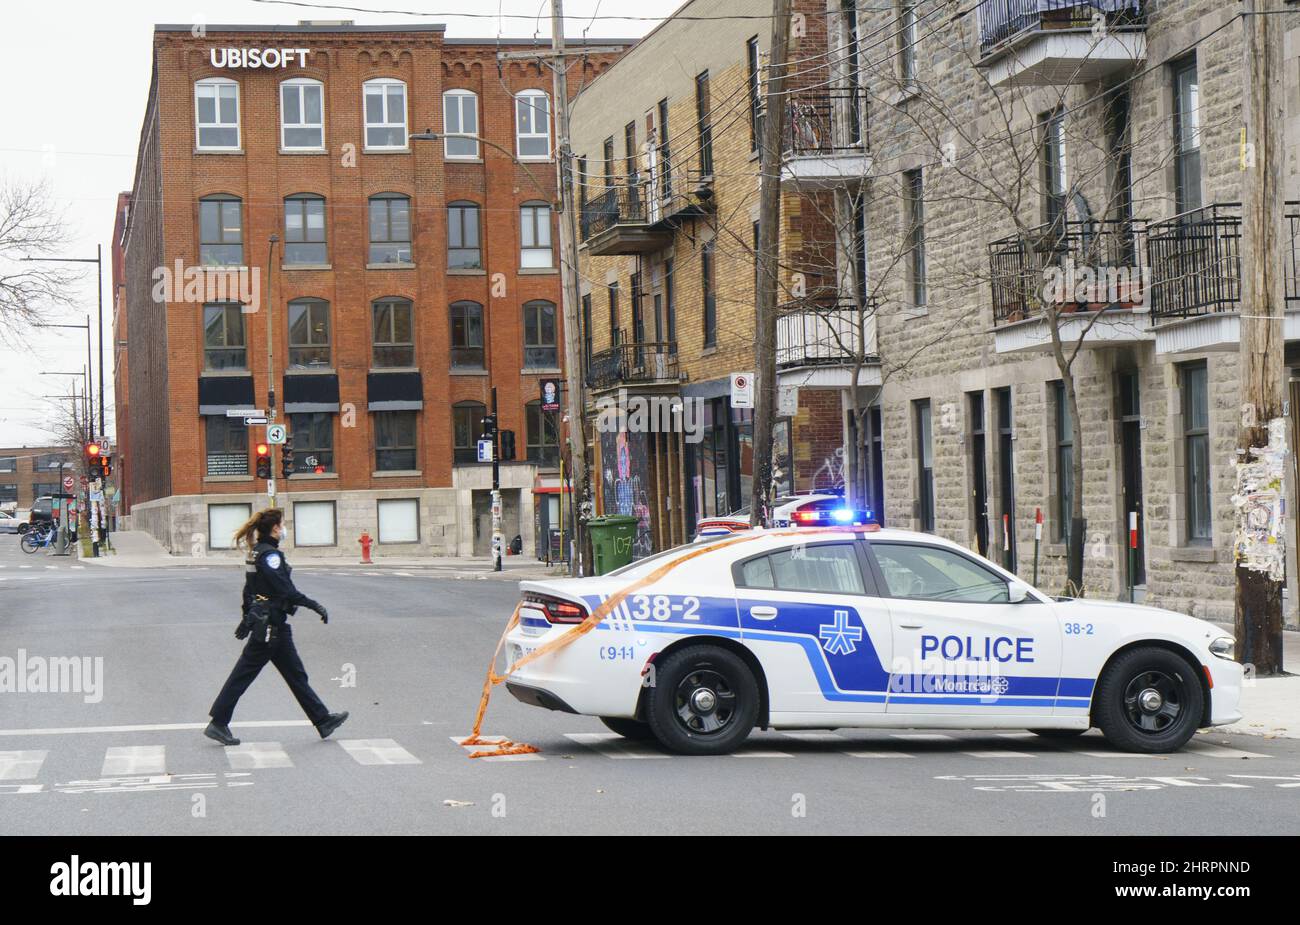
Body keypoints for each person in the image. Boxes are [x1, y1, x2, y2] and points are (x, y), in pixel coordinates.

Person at [205, 508, 348, 746]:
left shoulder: (255, 553)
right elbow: (285, 590)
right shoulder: (270, 556)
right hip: (270, 626)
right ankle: (218, 722)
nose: (283, 530)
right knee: (243, 675)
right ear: (274, 528)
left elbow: (249, 589)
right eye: (281, 525)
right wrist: (314, 605)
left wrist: (246, 615)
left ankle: (322, 720)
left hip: (270, 623)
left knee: (296, 674)